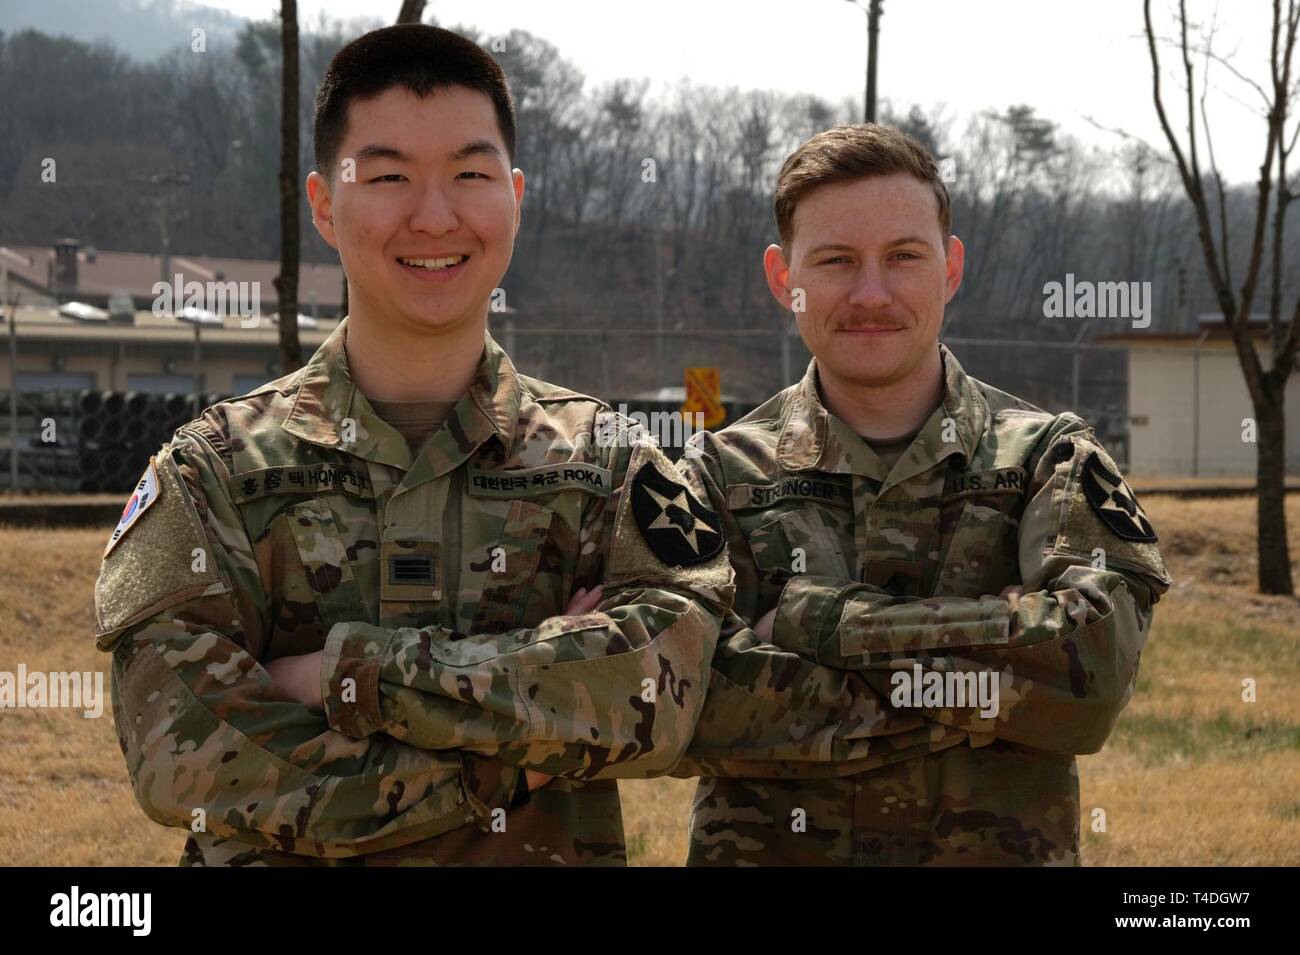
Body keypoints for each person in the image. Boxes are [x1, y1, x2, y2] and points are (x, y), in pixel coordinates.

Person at [92, 24, 735, 866]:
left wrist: (339, 672)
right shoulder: (208, 475)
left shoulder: (613, 466)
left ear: (515, 195)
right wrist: (504, 767)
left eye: (470, 175)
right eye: (389, 176)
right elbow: (185, 757)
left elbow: (656, 693)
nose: (435, 216)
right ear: (324, 204)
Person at [669, 123, 1172, 865]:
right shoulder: (714, 475)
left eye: (903, 257)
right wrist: (989, 693)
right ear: (784, 278)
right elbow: (680, 707)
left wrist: (814, 624)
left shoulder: (1049, 458)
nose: (871, 293)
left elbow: (1088, 680)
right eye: (836, 261)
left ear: (950, 267)